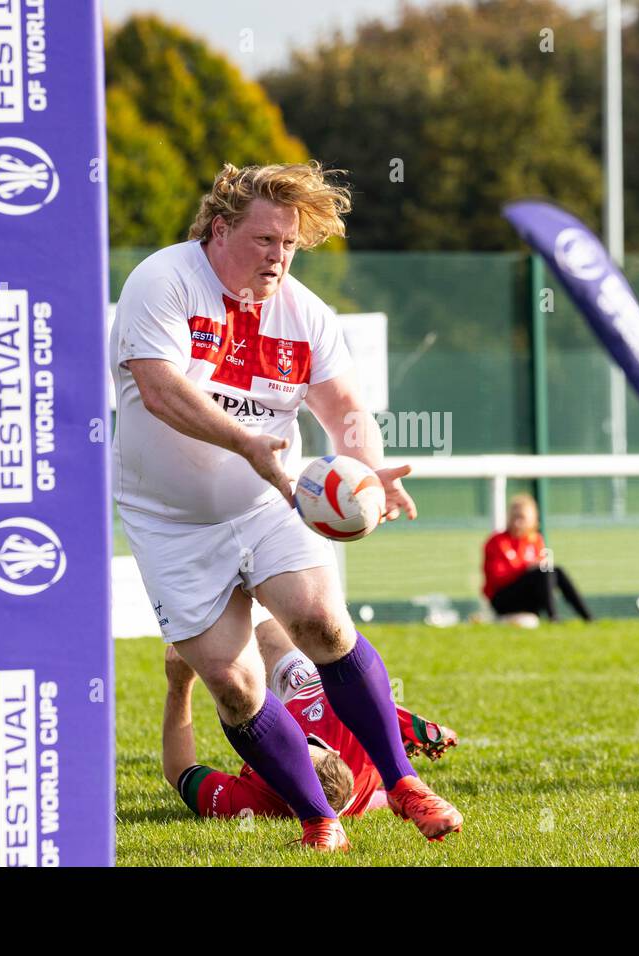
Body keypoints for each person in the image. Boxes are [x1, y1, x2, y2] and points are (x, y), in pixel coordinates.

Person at [111, 161, 462, 851]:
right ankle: (317, 819)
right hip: (170, 523)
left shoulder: (306, 314)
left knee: (323, 624)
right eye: (266, 240)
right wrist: (247, 442)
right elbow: (160, 389)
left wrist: (368, 468)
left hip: (269, 503)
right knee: (234, 687)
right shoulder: (166, 279)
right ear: (220, 230)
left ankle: (402, 785)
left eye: (290, 245)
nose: (279, 257)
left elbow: (346, 410)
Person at [164, 603, 458, 824]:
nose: (288, 746)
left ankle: (367, 802)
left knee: (248, 662)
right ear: (331, 752)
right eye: (305, 746)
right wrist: (420, 728)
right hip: (309, 687)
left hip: (347, 787)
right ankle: (371, 801)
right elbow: (381, 708)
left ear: (289, 796)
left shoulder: (253, 802)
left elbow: (179, 771)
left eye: (290, 759)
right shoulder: (353, 736)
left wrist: (179, 684)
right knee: (269, 633)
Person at [481, 493, 592, 624]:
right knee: (543, 572)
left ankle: (588, 617)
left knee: (555, 570)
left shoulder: (535, 540)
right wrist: (526, 568)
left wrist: (535, 569)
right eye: (514, 517)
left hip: (530, 596)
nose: (517, 522)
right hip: (504, 599)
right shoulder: (497, 541)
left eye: (522, 518)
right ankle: (553, 618)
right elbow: (496, 578)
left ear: (532, 520)